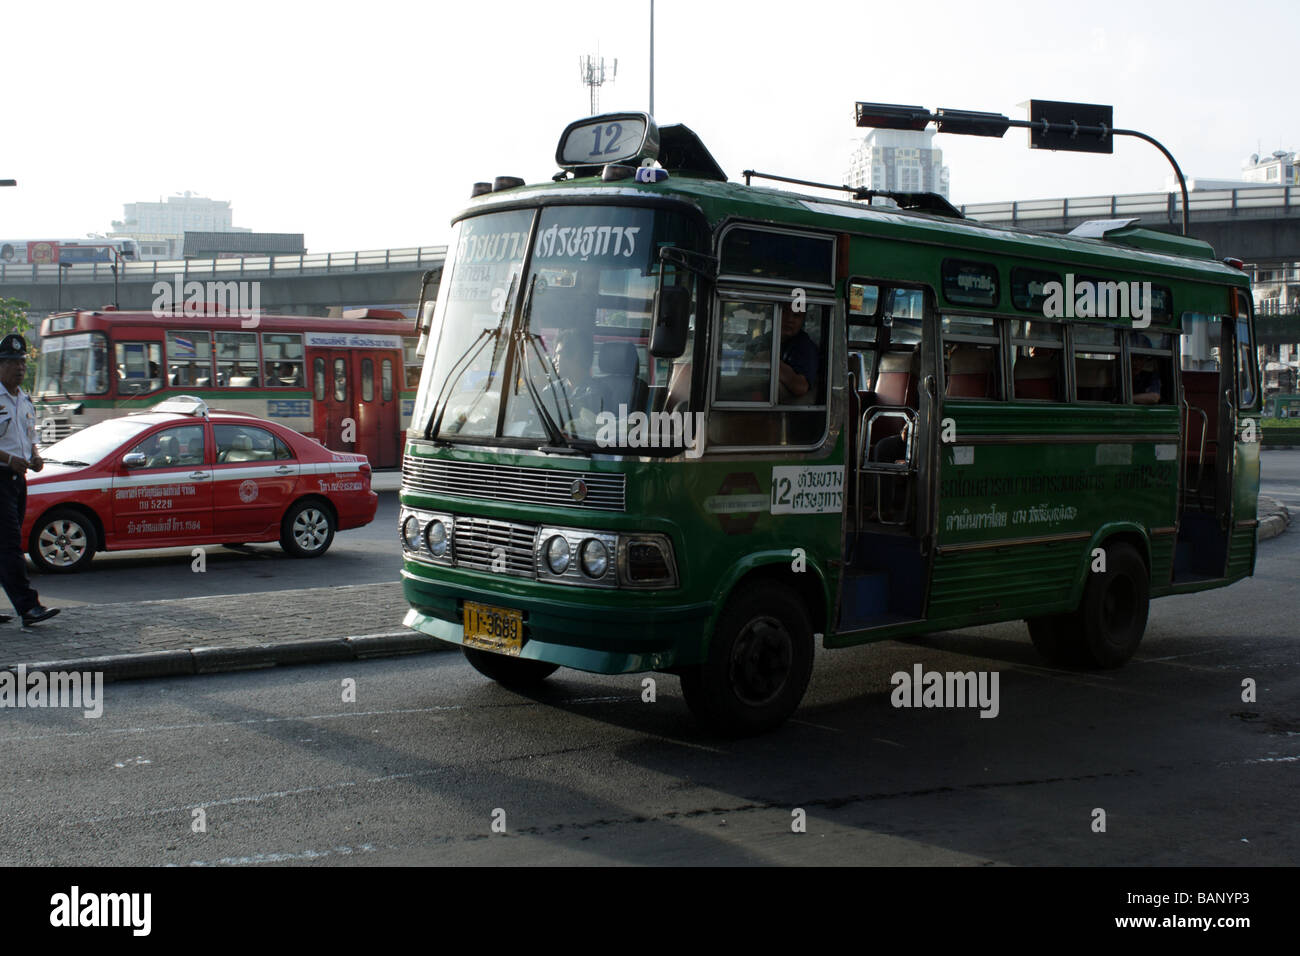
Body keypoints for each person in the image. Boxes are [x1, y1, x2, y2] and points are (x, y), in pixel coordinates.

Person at [0, 334, 58, 626]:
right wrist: (9, 459)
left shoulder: (24, 398)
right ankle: (28, 607)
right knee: (10, 545)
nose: (19, 368)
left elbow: (29, 436)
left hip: (17, 480)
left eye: (22, 362)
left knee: (3, 545)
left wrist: (35, 456)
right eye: (11, 362)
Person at [778, 304, 819, 401]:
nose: (789, 320)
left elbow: (800, 387)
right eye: (784, 312)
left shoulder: (805, 347)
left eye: (796, 315)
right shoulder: (763, 341)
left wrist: (770, 362)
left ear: (803, 320)